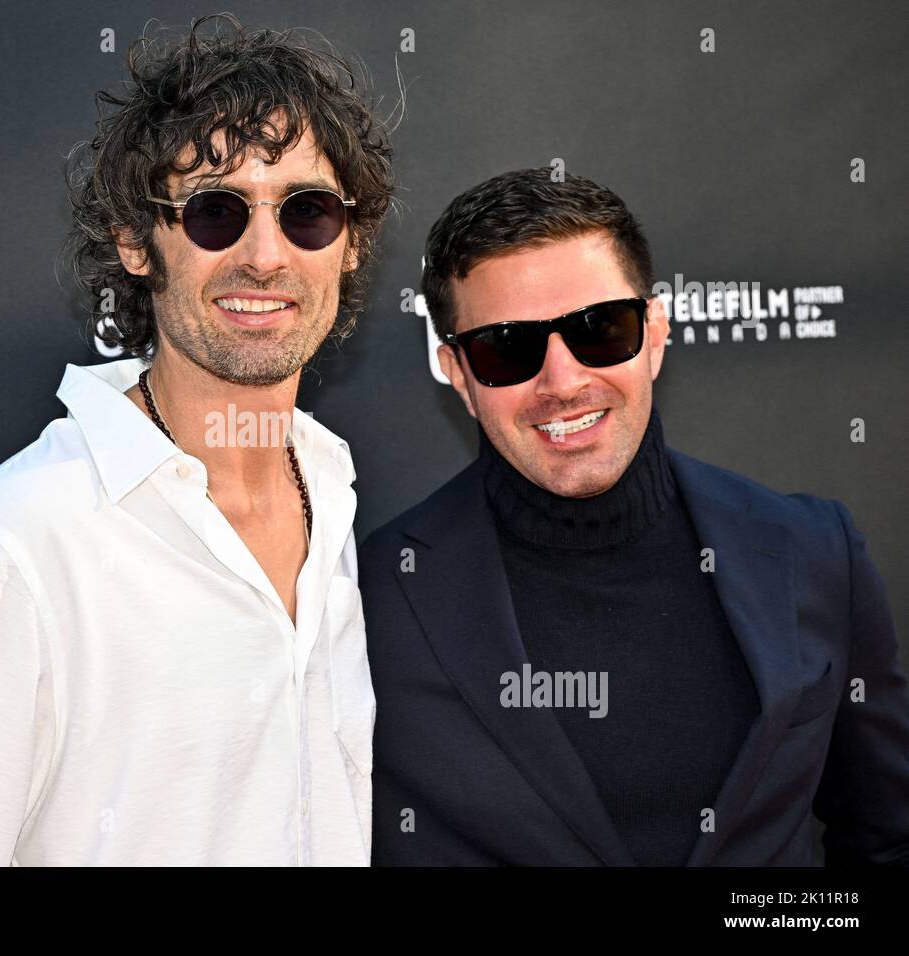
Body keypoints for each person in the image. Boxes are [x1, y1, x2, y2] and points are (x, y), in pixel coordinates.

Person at [0, 14, 395, 865]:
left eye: (308, 212)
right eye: (215, 212)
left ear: (350, 244)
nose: (264, 255)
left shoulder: (327, 493)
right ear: (137, 242)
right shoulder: (15, 548)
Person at [361, 167, 909, 866]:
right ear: (459, 376)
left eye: (601, 330)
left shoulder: (812, 552)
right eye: (508, 349)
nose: (563, 383)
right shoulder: (376, 595)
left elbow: (889, 836)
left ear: (654, 334)